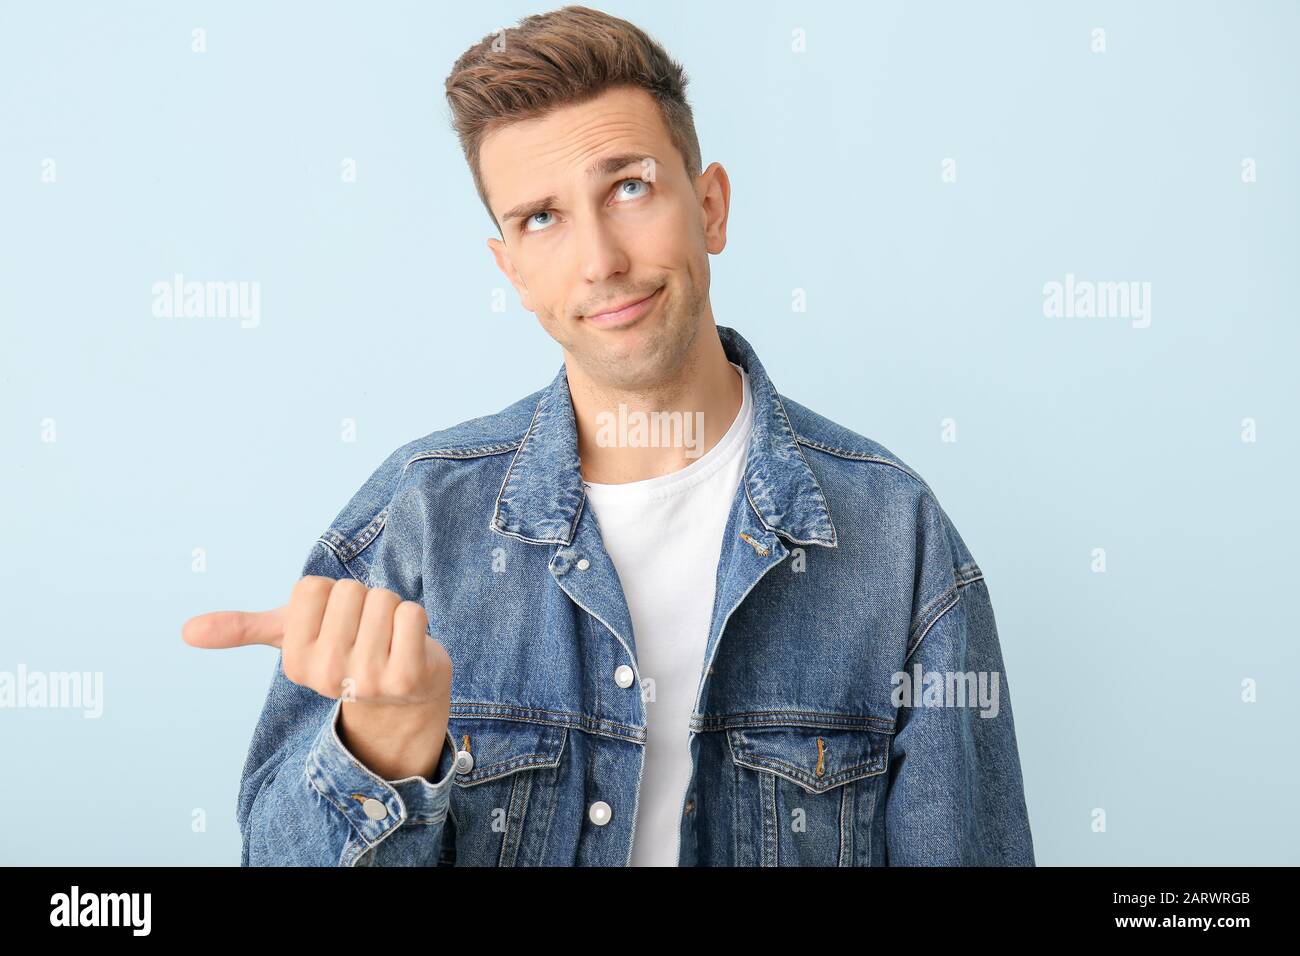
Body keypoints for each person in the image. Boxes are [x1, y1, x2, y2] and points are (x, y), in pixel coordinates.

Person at [182, 4, 1034, 867]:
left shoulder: (896, 533)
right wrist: (380, 753)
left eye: (629, 186)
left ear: (710, 207)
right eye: (541, 219)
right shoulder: (414, 525)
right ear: (510, 267)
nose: (600, 261)